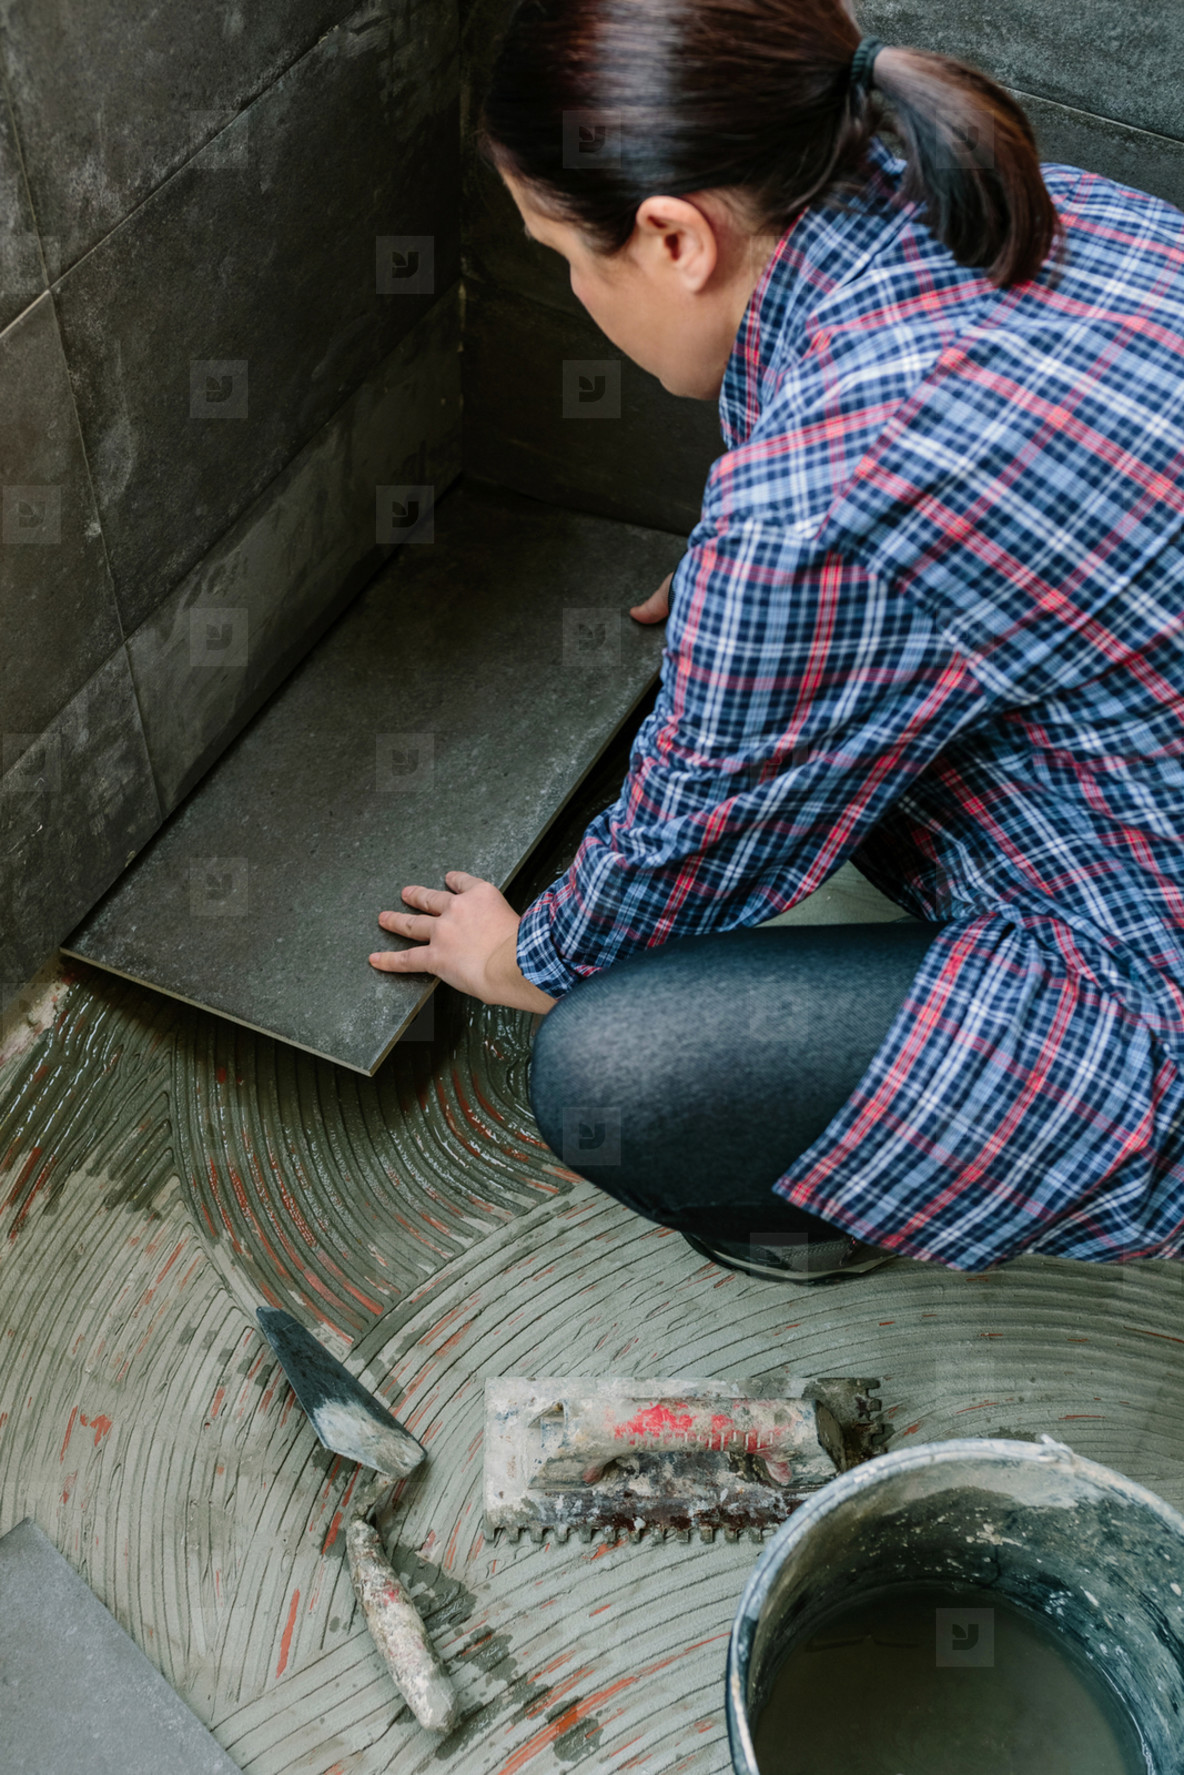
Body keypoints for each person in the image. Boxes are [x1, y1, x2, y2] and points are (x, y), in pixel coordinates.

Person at [368, 0, 1184, 1285]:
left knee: (613, 1073)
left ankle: (838, 1200)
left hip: (1156, 987)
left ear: (675, 237)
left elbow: (682, 857)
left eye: (564, 258)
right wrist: (761, 581)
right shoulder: (998, 190)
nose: (575, 297)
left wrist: (519, 957)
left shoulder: (826, 502)